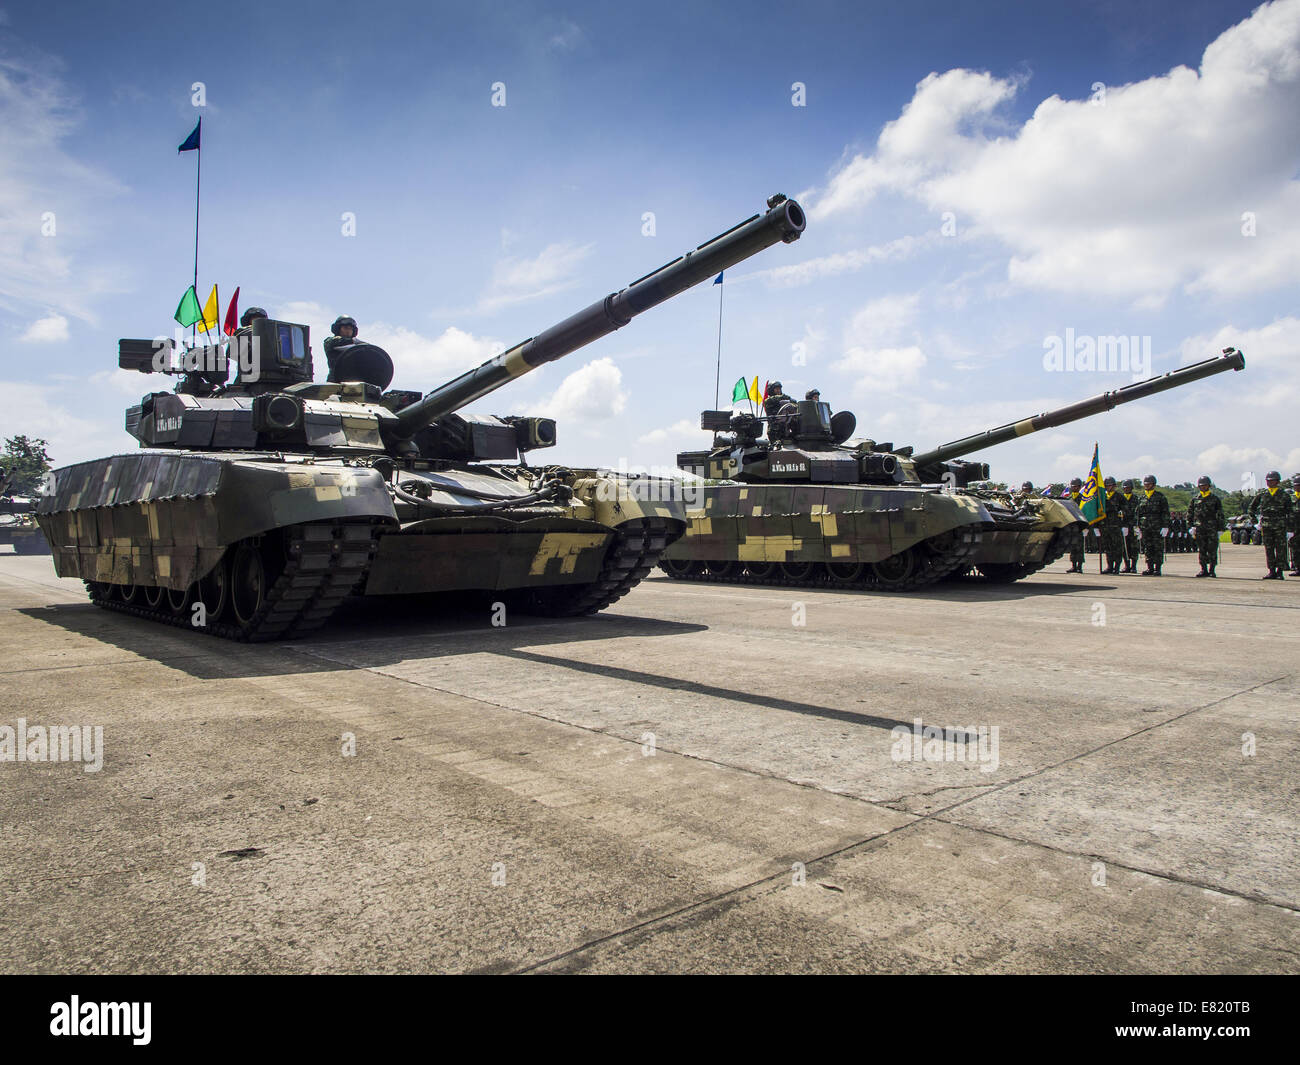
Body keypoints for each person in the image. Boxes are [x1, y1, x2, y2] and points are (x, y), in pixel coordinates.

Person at [1247, 470, 1296, 580]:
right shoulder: (1262, 494)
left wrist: (1290, 529)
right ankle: (1271, 571)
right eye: (1268, 481)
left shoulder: (1284, 495)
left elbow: (1290, 512)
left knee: (1281, 550)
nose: (1270, 482)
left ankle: (1280, 571)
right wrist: (1254, 520)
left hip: (1280, 526)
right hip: (1267, 526)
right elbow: (1251, 508)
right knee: (1269, 549)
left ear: (1278, 481)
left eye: (1273, 480)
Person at [1186, 475, 1224, 577]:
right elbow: (1190, 514)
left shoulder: (1215, 499)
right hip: (1199, 528)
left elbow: (1220, 514)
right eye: (1201, 485)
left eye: (1205, 485)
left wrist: (1220, 528)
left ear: (1209, 486)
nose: (1203, 487)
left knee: (1212, 549)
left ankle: (1212, 570)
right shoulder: (1195, 499)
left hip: (1212, 528)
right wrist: (1190, 526)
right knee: (1202, 549)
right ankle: (1203, 569)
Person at [1135, 474, 1170, 575]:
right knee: (1147, 547)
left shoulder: (1160, 497)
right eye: (1145, 484)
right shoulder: (1142, 498)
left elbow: (1165, 512)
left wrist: (1165, 526)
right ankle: (1149, 567)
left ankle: (1157, 568)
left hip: (1157, 526)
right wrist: (1137, 526)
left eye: (1149, 484)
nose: (1147, 486)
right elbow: (1137, 513)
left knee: (1157, 547)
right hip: (1145, 527)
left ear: (1154, 485)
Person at [1099, 476, 1126, 574]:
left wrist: (1124, 524)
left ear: (1114, 486)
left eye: (1110, 485)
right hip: (1105, 526)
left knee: (1117, 547)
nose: (1108, 487)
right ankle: (1109, 566)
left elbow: (1126, 511)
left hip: (1116, 526)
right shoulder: (1102, 497)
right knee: (1108, 547)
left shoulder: (1119, 497)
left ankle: (1117, 567)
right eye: (1106, 486)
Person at [324, 315, 360, 380]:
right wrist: (357, 342)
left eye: (351, 329)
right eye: (345, 328)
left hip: (353, 381)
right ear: (338, 328)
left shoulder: (359, 347)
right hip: (335, 381)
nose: (348, 331)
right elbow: (338, 342)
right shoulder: (330, 341)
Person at [1119, 479, 1140, 572]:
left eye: (1128, 487)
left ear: (1131, 488)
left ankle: (1134, 566)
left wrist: (1138, 526)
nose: (1126, 489)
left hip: (1134, 526)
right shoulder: (1120, 498)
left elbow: (1139, 513)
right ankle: (1127, 565)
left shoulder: (1136, 499)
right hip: (1124, 526)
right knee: (1125, 547)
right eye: (1125, 487)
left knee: (1134, 546)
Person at [1065, 478, 1086, 572]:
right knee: (1073, 546)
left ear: (1079, 487)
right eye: (1073, 486)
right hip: (1071, 525)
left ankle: (1080, 566)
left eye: (1076, 486)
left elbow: (1086, 512)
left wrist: (1087, 527)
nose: (1074, 488)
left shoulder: (1083, 499)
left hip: (1080, 526)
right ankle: (1073, 565)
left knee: (1080, 547)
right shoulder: (1068, 499)